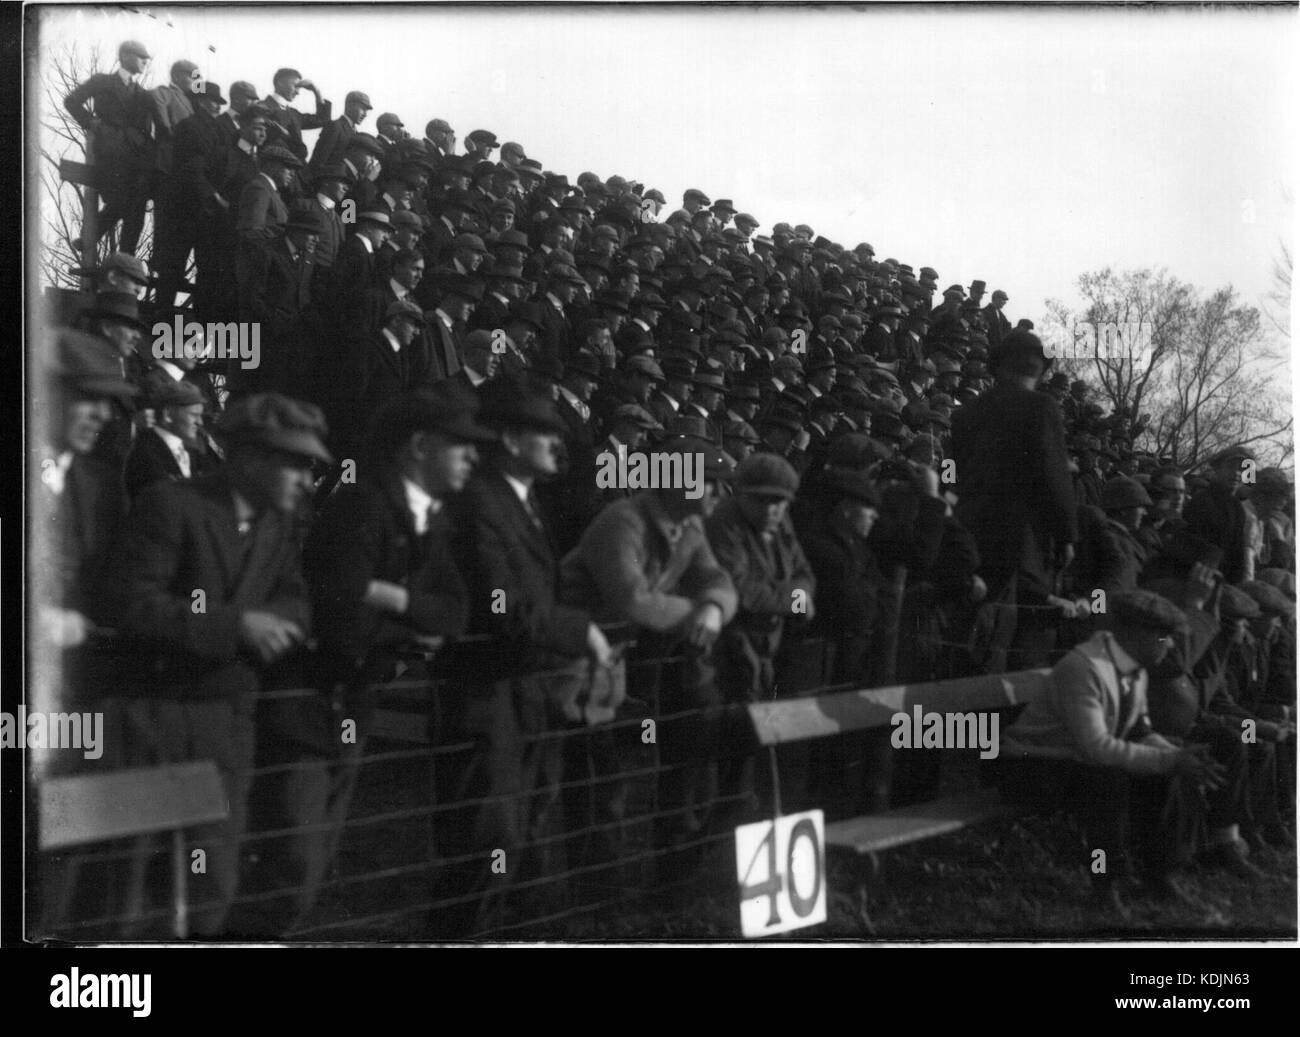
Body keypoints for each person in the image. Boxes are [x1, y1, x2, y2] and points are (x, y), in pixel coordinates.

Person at [255, 387, 487, 935]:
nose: (473, 458)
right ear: (420, 446)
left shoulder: (430, 515)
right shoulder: (363, 504)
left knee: (316, 845)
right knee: (290, 854)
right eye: (461, 446)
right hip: (311, 699)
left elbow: (454, 612)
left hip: (357, 694)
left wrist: (394, 600)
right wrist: (407, 628)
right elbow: (339, 608)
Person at [101, 394, 329, 937]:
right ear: (248, 459)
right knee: (136, 886)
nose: (305, 479)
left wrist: (270, 620)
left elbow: (295, 599)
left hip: (228, 725)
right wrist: (239, 627)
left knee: (210, 884)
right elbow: (127, 603)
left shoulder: (275, 525)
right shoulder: (171, 505)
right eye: (294, 464)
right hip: (156, 722)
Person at [996, 591, 1226, 912]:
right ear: (1136, 635)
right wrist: (1171, 758)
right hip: (1029, 766)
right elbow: (1097, 748)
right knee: (1105, 782)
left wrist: (1177, 755)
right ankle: (1104, 885)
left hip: (1073, 760)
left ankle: (1159, 875)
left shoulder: (1136, 666)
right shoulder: (1083, 667)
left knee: (1156, 773)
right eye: (1164, 637)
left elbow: (1139, 731)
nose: (1171, 646)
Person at [63, 39, 155, 253]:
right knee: (120, 202)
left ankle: (126, 263)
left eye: (146, 58)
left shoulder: (143, 94)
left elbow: (146, 130)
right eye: (141, 56)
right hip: (110, 155)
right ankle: (90, 237)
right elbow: (72, 101)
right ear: (124, 56)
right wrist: (90, 122)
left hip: (136, 160)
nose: (145, 61)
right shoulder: (102, 81)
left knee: (136, 213)